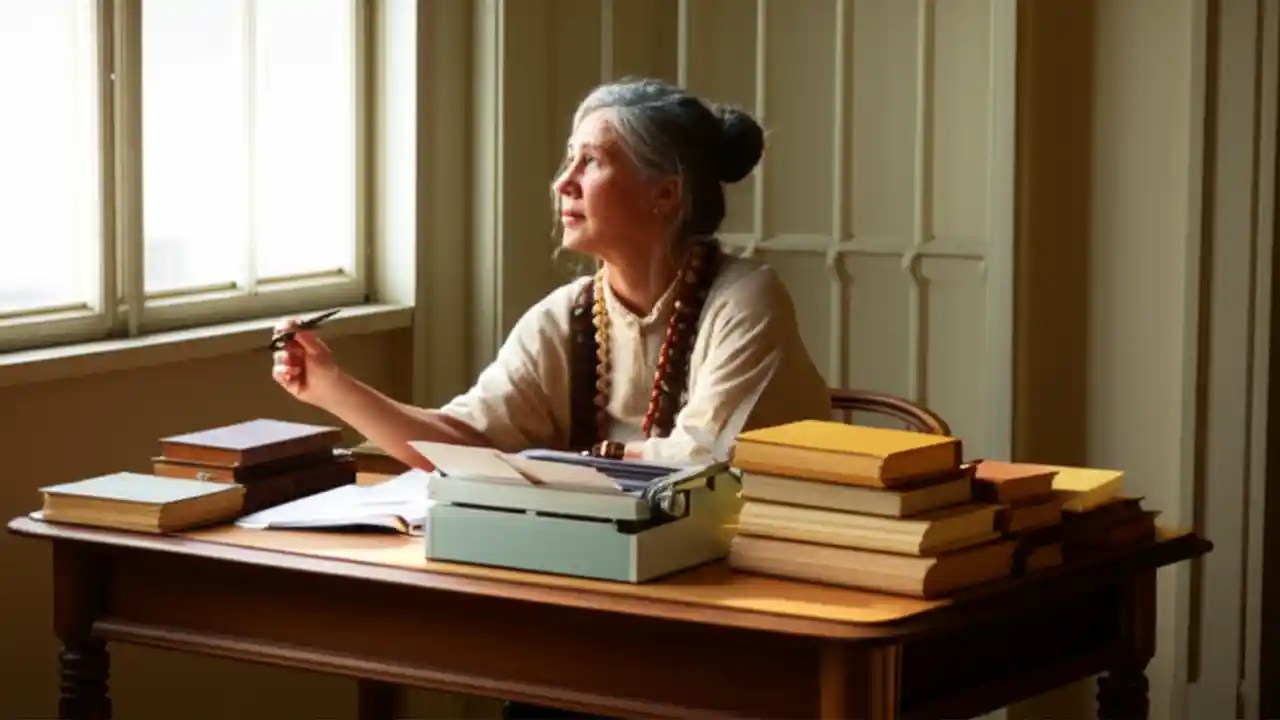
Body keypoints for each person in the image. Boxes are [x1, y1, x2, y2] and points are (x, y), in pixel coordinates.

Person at [271, 77, 831, 473]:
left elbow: (705, 457)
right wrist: (331, 387)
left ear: (666, 192)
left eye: (592, 162)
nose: (564, 182)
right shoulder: (568, 316)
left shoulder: (745, 299)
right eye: (569, 159)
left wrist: (561, 463)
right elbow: (463, 442)